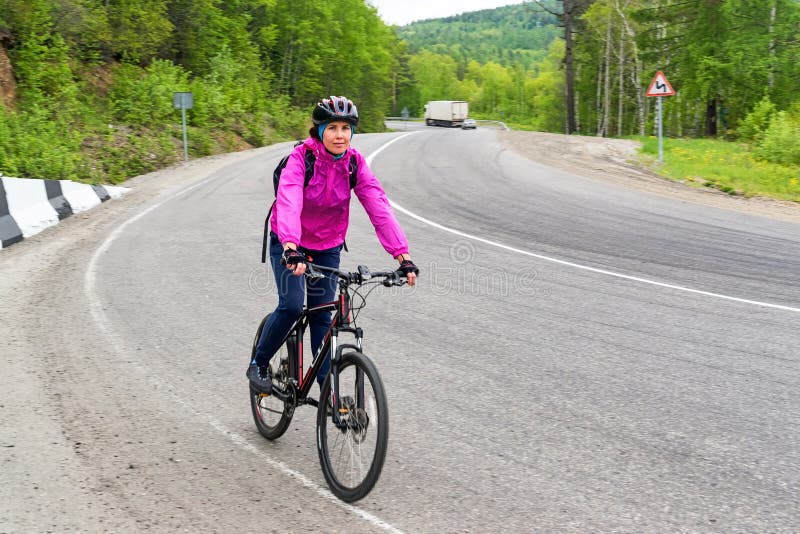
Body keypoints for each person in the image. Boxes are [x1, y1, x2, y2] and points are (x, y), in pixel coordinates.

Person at [248, 96, 418, 393]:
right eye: (332, 128)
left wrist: (402, 256)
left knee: (322, 314)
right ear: (319, 130)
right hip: (289, 243)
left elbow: (378, 206)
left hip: (327, 245)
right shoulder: (302, 159)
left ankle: (329, 392)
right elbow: (289, 201)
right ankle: (259, 363)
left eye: (345, 128)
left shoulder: (354, 163)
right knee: (291, 307)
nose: (340, 135)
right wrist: (290, 247)